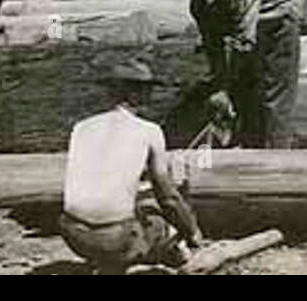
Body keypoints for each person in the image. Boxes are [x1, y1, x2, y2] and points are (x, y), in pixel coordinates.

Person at [60, 59, 204, 274]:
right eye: (147, 90)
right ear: (137, 94)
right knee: (160, 220)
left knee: (131, 208)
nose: (151, 95)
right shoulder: (149, 131)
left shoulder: (81, 127)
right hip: (115, 238)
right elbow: (169, 198)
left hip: (72, 234)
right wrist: (192, 231)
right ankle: (170, 255)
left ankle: (107, 261)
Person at [175, 0, 300, 149]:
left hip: (278, 25)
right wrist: (219, 83)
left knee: (274, 98)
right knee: (244, 92)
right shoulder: (198, 5)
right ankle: (248, 148)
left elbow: (243, 43)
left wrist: (224, 87)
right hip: (245, 30)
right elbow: (213, 46)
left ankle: (278, 156)